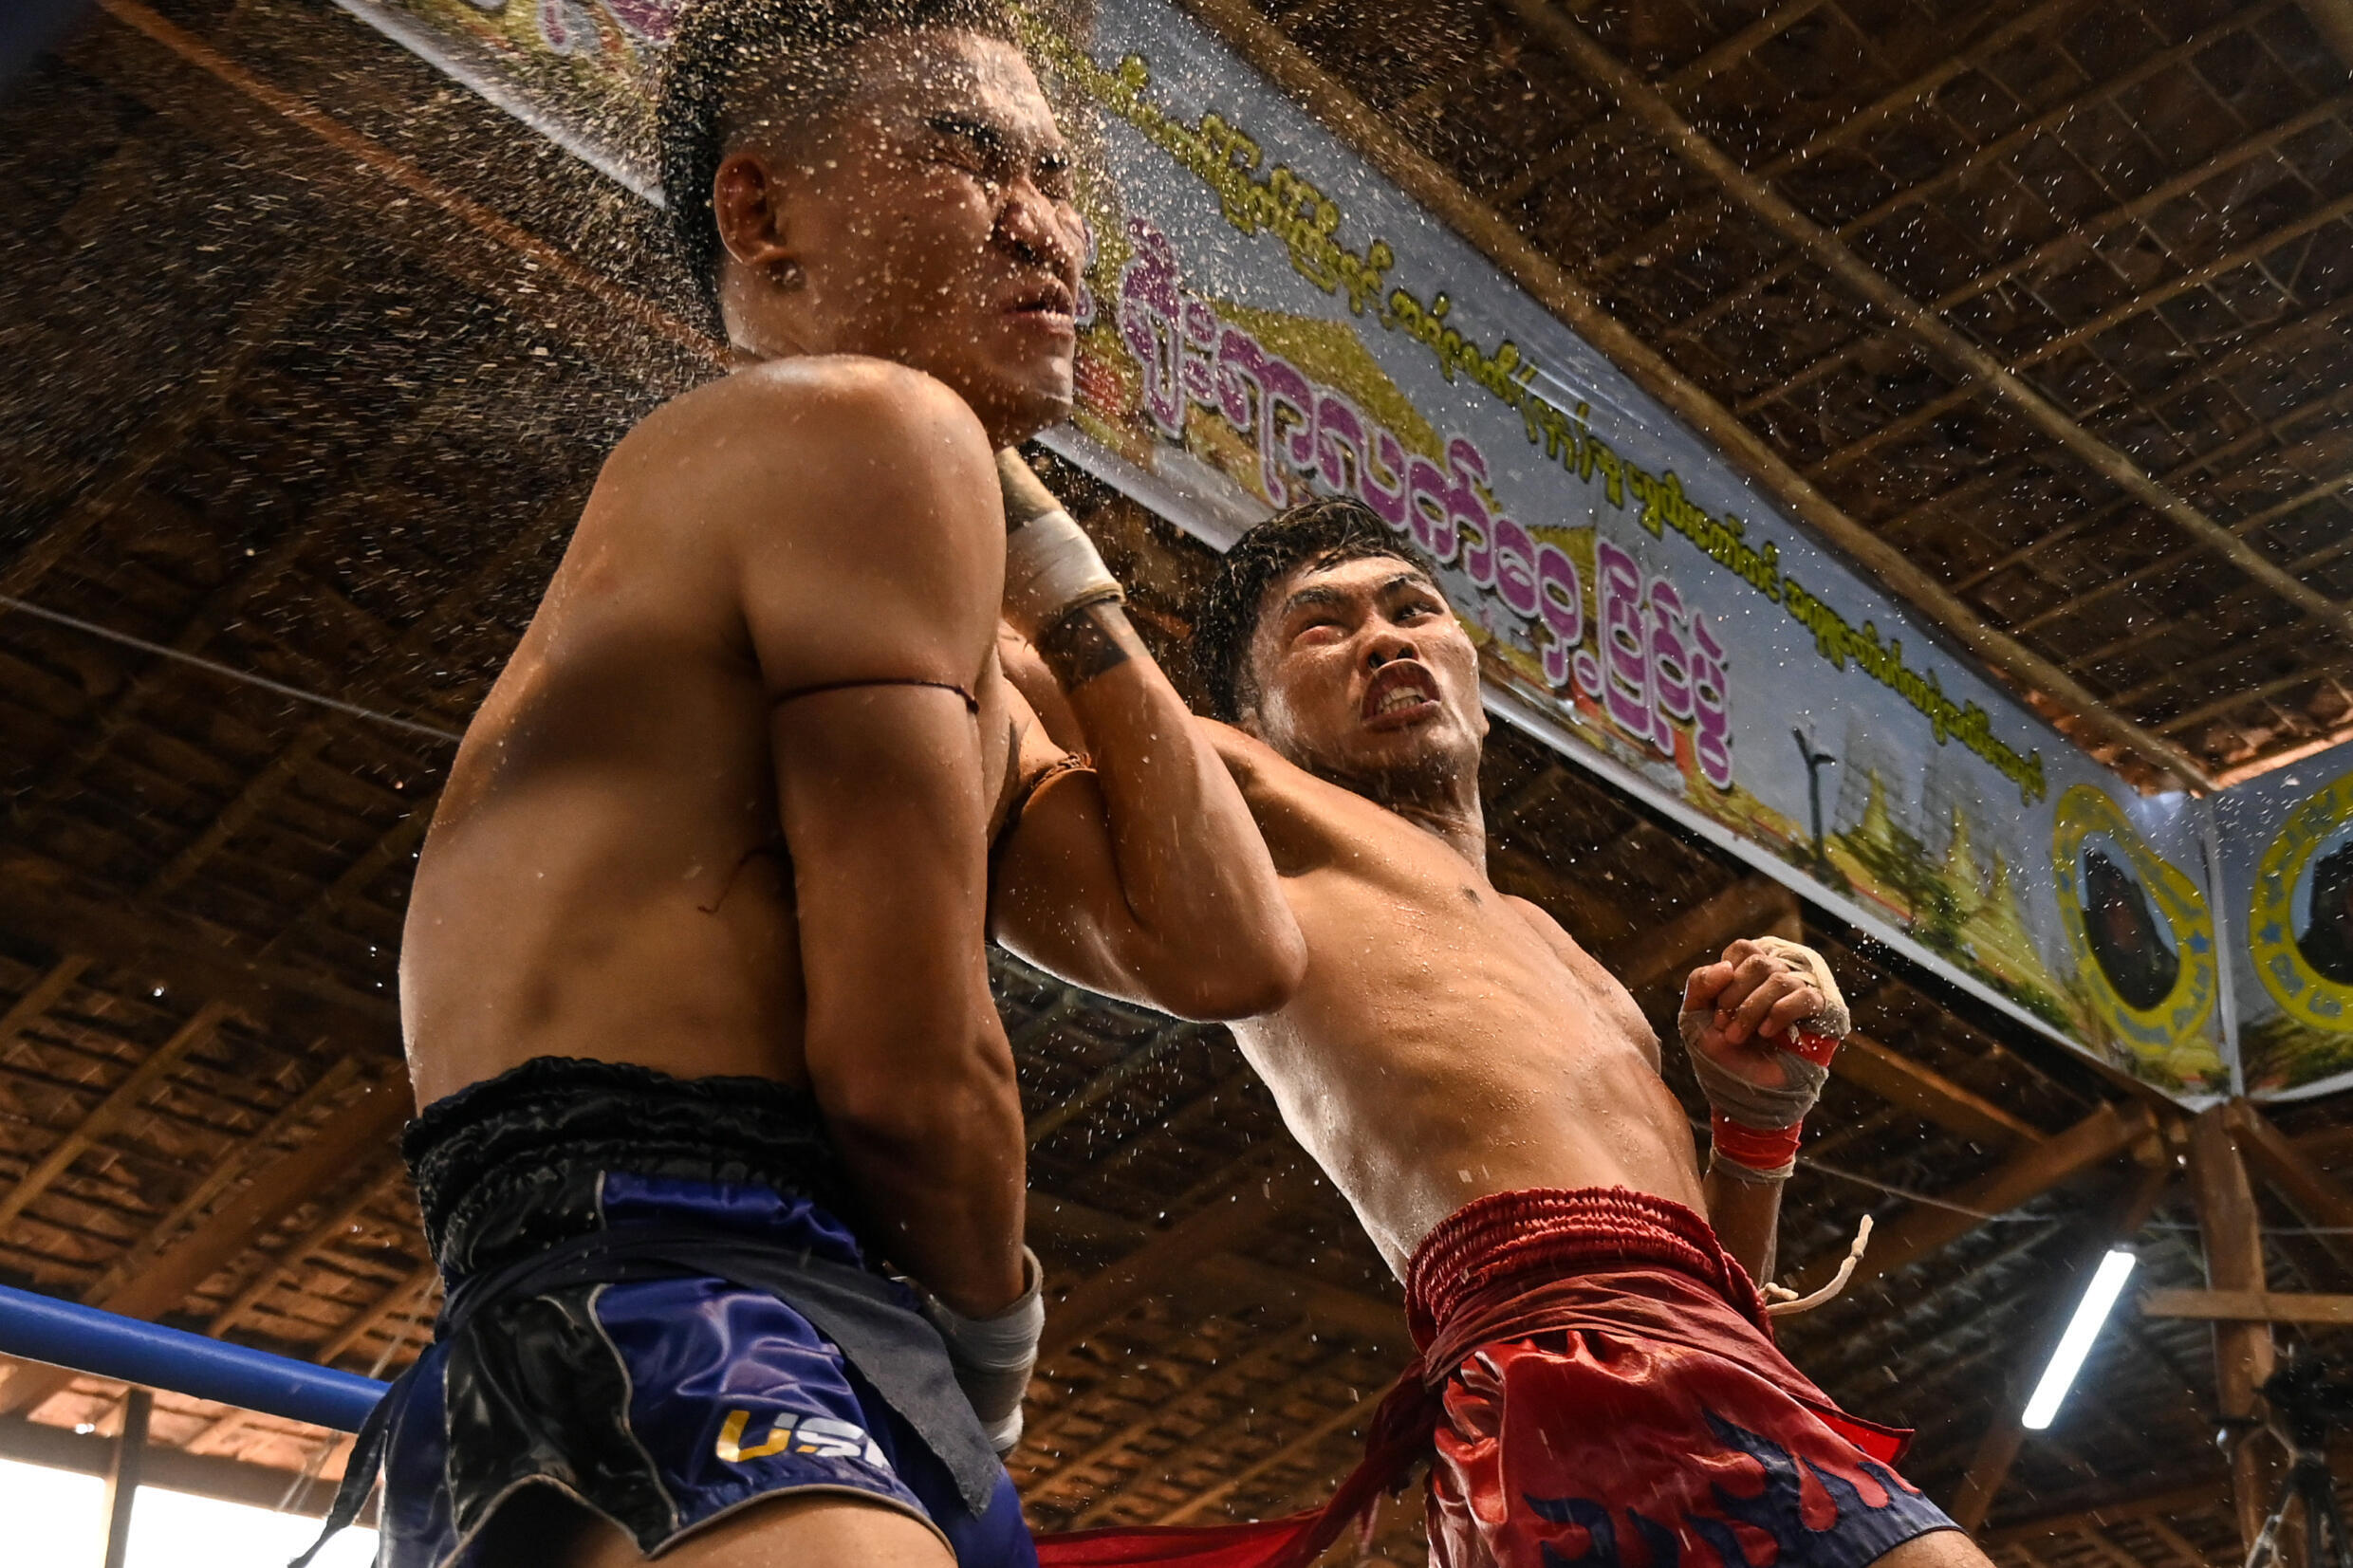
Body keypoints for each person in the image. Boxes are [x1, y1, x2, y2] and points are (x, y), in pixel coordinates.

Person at [303, 5, 1305, 1568]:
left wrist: (1067, 583)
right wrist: (997, 1330)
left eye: (1052, 171)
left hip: (631, 1295)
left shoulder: (915, 562)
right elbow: (910, 1064)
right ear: (762, 214)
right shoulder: (863, 424)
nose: (1040, 222)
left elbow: (1225, 949)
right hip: (690, 1277)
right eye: (972, 159)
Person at [1031, 497, 1982, 1568]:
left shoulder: (1571, 963)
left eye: (1411, 608)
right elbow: (1007, 653)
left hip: (1681, 1368)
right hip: (1563, 1372)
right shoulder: (1251, 810)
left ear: (1475, 675)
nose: (1383, 637)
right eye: (1320, 626)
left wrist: (1755, 1128)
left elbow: (1713, 1297)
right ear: (1252, 724)